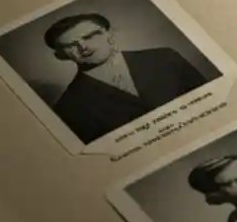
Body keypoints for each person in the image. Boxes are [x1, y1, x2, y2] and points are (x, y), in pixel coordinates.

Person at [43, 12, 210, 143]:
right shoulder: (68, 108)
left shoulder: (165, 57)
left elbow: (210, 99)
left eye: (89, 36)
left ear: (109, 34)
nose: (83, 47)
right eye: (71, 45)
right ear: (60, 55)